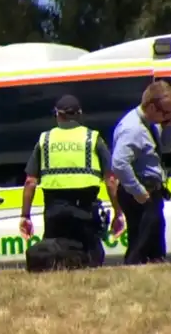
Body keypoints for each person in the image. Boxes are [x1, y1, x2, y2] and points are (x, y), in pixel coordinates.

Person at [20, 94, 124, 268]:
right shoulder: (93, 139)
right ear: (80, 114)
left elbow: (30, 182)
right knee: (90, 259)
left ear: (57, 115)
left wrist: (25, 216)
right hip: (85, 211)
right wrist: (118, 212)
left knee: (53, 259)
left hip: (54, 211)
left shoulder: (45, 140)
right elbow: (111, 180)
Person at [112, 80, 171, 265]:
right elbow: (119, 163)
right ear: (150, 106)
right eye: (165, 112)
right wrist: (138, 191)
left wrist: (168, 127)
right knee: (142, 244)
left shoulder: (152, 124)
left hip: (151, 190)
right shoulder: (132, 128)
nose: (168, 116)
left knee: (154, 245)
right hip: (141, 190)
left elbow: (166, 147)